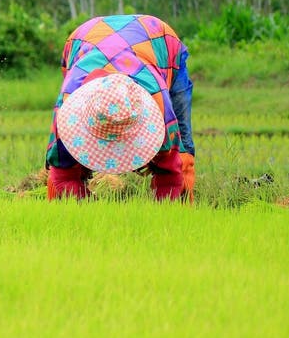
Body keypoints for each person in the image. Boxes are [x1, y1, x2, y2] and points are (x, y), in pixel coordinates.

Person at [44, 14, 195, 201]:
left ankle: (186, 202)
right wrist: (87, 208)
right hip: (85, 37)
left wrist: (164, 210)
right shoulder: (68, 101)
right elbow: (61, 174)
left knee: (182, 148)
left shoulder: (158, 103)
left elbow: (170, 174)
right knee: (66, 157)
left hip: (158, 37)